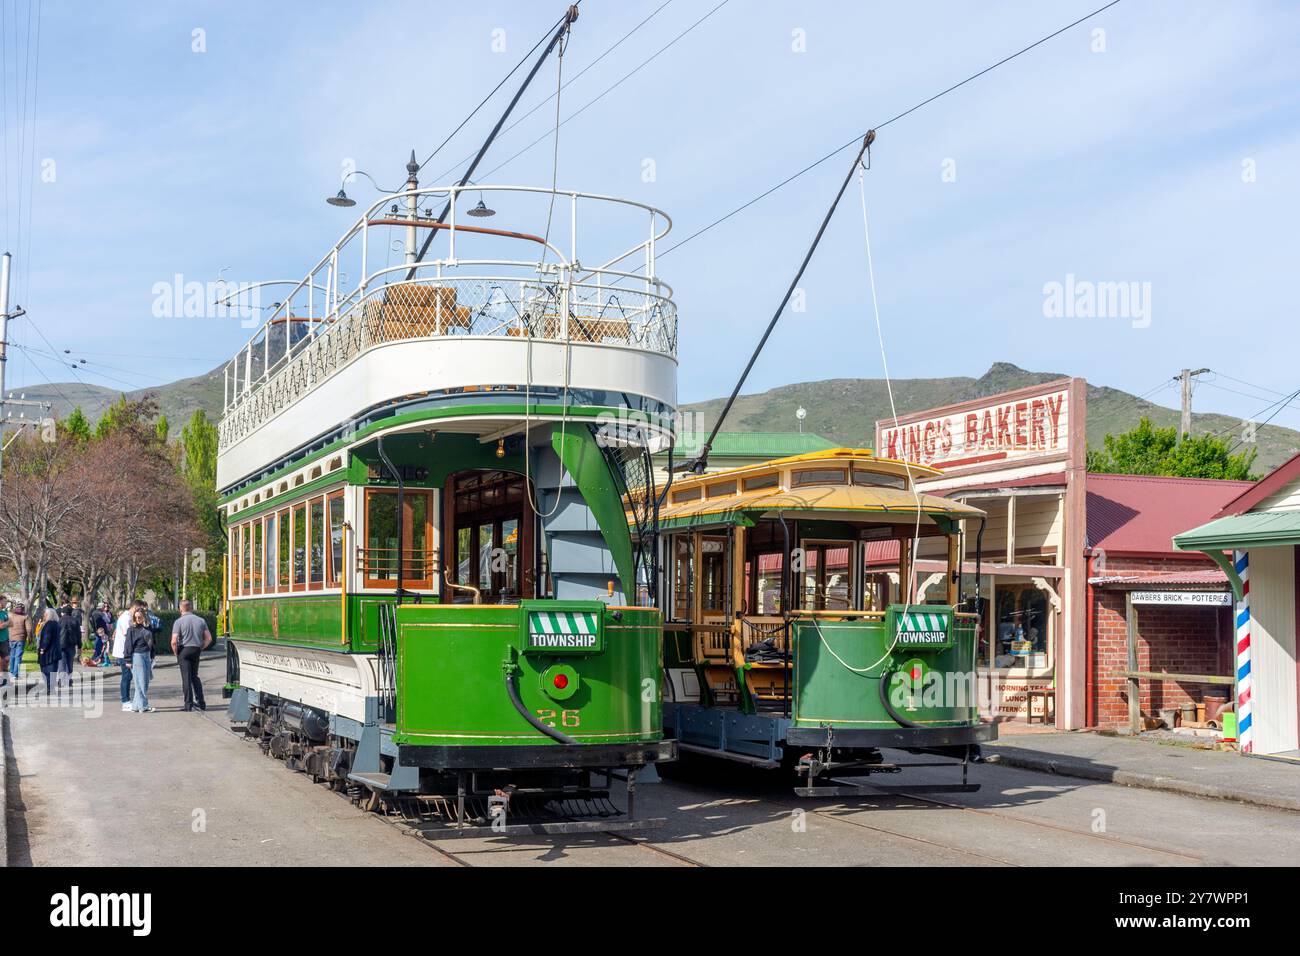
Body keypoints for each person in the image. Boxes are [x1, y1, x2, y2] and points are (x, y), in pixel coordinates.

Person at [171, 599, 213, 712]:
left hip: (184, 650)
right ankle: (201, 702)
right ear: (191, 608)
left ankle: (188, 704)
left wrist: (176, 653)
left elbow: (174, 641)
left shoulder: (178, 622)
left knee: (186, 678)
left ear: (180, 609)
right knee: (195, 676)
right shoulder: (201, 620)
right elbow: (209, 638)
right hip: (196, 650)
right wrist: (201, 648)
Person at [122, 605, 156, 713]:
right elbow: (128, 645)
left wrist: (152, 656)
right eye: (136, 617)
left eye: (140, 617)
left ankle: (136, 706)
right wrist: (128, 660)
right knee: (140, 682)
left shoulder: (148, 628)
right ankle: (144, 706)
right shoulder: (131, 629)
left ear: (144, 617)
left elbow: (153, 643)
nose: (138, 619)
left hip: (146, 655)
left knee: (144, 681)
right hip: (137, 656)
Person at [112, 599, 145, 711]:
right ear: (136, 608)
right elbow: (129, 635)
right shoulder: (126, 618)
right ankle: (125, 701)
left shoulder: (127, 617)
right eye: (140, 609)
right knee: (127, 676)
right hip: (124, 653)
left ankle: (127, 700)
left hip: (125, 651)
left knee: (129, 676)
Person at [56, 603, 81, 687]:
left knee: (61, 663)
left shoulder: (59, 621)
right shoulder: (75, 621)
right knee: (70, 663)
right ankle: (69, 679)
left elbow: (56, 633)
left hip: (60, 645)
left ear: (63, 613)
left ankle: (61, 680)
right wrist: (79, 646)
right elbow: (78, 634)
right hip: (71, 644)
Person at [37, 608, 61, 694]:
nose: (44, 615)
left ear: (48, 615)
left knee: (46, 670)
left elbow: (47, 637)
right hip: (55, 651)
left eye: (45, 614)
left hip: (49, 652)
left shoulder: (49, 624)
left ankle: (48, 689)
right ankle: (51, 689)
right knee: (52, 671)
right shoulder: (56, 624)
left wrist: (43, 648)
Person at [6, 601, 27, 681]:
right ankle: (15, 674)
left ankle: (11, 673)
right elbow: (28, 629)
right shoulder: (25, 617)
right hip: (20, 639)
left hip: (11, 638)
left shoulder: (10, 616)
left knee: (12, 656)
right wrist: (30, 638)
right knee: (18, 656)